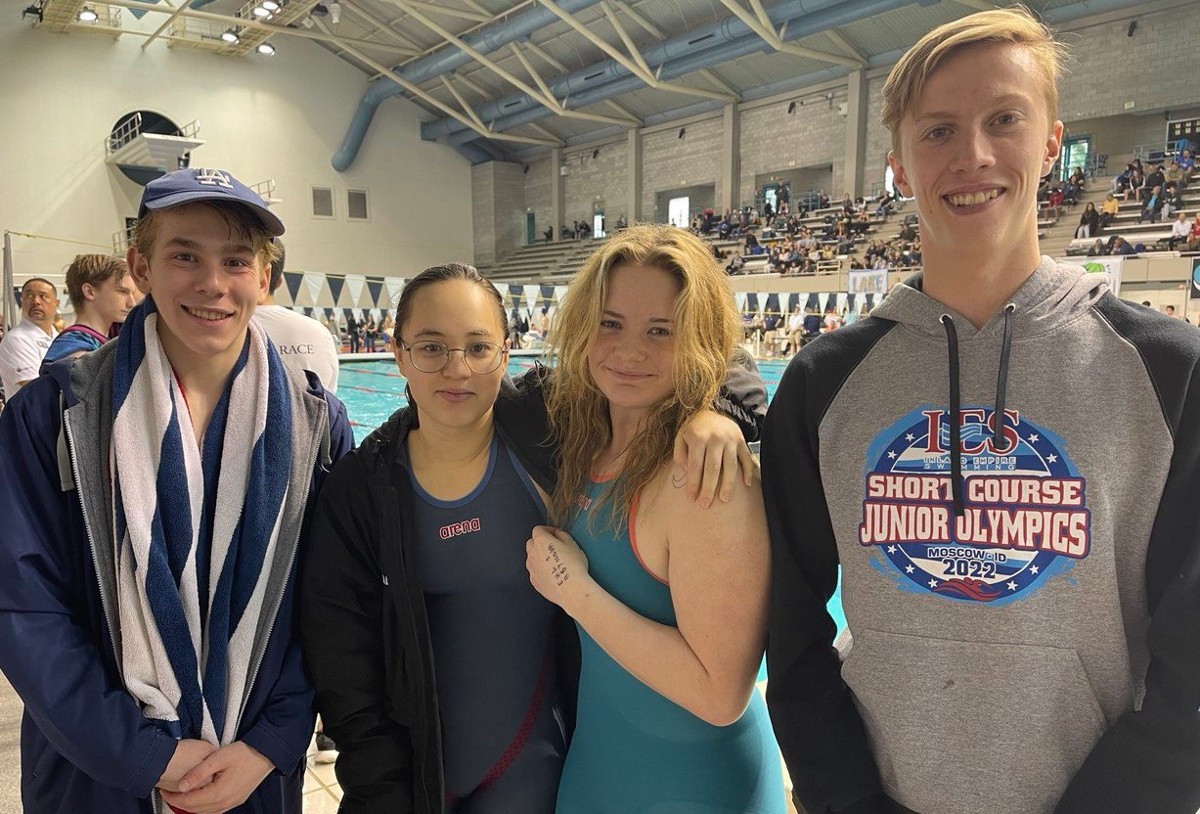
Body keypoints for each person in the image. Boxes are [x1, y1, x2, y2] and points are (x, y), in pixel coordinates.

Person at [762, 9, 1200, 814]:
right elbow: (790, 635)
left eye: (1004, 119)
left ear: (1051, 143)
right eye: (938, 131)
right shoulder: (824, 382)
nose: (973, 155)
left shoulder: (1171, 372)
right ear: (898, 164)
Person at [301, 261, 765, 813]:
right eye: (431, 348)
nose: (457, 369)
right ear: (397, 353)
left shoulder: (546, 428)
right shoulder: (362, 487)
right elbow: (341, 653)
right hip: (414, 777)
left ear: (506, 353)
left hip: (539, 769)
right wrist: (378, 785)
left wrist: (718, 413)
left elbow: (701, 345)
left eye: (478, 347)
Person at [0, 167, 353, 814]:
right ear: (141, 266)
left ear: (265, 278)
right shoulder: (55, 415)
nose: (213, 282)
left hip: (249, 770)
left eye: (236, 260)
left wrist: (272, 742)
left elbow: (331, 603)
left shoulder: (317, 427)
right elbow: (23, 606)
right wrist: (138, 753)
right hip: (99, 775)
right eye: (185, 256)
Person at [525, 224, 785, 814]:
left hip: (697, 787)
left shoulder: (704, 475)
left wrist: (572, 590)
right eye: (610, 323)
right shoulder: (586, 439)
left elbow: (721, 694)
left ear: (699, 341)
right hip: (597, 768)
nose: (629, 350)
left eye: (660, 331)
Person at [254, 239, 340, 392]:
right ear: (279, 281)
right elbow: (329, 396)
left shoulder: (224, 330)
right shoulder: (319, 332)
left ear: (264, 279)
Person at [42, 255, 138, 368]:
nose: (131, 303)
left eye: (132, 293)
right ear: (89, 292)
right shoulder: (76, 356)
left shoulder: (117, 335)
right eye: (122, 291)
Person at [0, 277, 59, 398]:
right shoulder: (16, 339)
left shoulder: (60, 338)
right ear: (22, 301)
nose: (36, 301)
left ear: (56, 303)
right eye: (29, 295)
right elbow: (37, 390)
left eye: (43, 296)